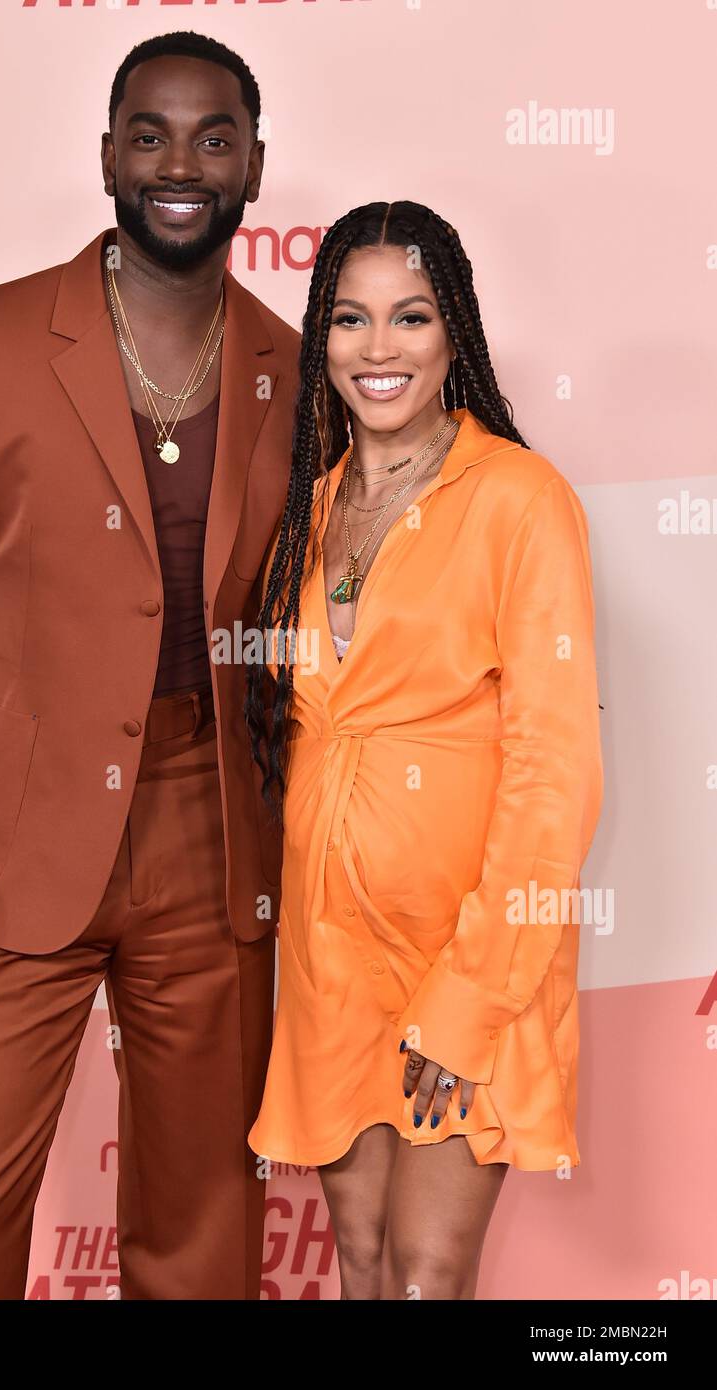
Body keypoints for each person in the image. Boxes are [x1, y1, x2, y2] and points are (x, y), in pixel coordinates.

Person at [0, 30, 299, 1301]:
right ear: (106, 154)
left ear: (254, 167)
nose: (180, 163)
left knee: (204, 1238)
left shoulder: (294, 367)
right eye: (149, 134)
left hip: (212, 833)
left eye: (212, 137)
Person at [245, 201, 604, 1300]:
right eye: (349, 320)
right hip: (328, 956)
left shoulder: (518, 499)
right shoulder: (306, 511)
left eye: (410, 317)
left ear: (455, 332)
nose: (378, 348)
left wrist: (468, 999)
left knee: (422, 1274)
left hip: (464, 955)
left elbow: (555, 769)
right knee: (356, 1264)